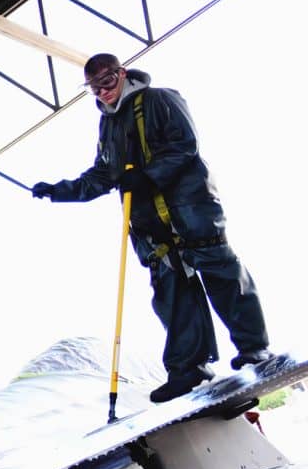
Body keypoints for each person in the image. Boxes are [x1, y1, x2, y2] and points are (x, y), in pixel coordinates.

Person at [31, 53, 271, 403]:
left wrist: (148, 175)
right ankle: (188, 369)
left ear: (122, 74)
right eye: (94, 88)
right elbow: (103, 174)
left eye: (107, 82)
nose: (103, 92)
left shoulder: (160, 100)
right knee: (171, 294)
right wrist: (59, 191)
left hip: (190, 211)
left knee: (221, 274)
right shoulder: (108, 126)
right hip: (151, 227)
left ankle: (254, 350)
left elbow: (184, 145)